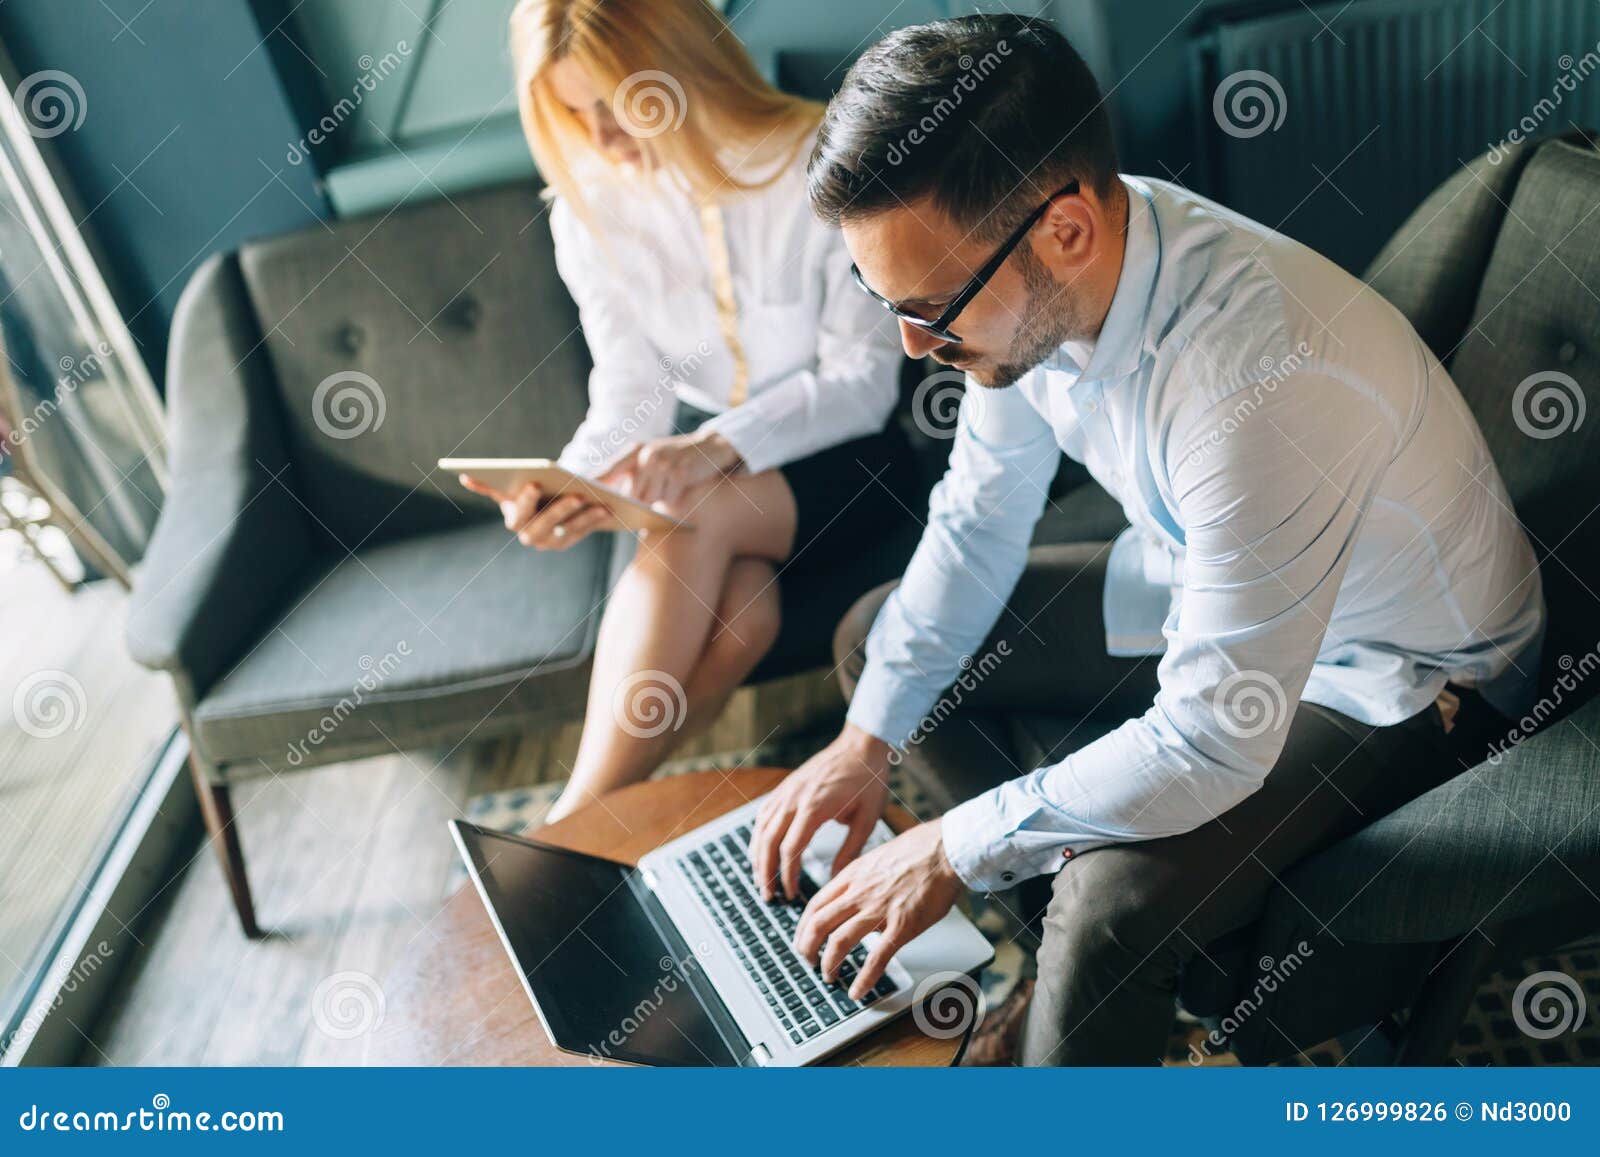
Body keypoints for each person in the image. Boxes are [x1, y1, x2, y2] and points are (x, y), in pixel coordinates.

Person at [750, 14, 1545, 1065]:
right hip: (1213, 581)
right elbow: (981, 514)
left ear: (1063, 228)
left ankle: (1079, 1000)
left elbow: (1214, 736)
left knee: (1105, 897)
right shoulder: (1038, 286)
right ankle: (1066, 1001)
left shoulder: (1254, 387)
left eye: (930, 304)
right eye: (883, 297)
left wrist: (953, 842)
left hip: (1401, 678)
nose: (910, 345)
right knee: (874, 644)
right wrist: (863, 740)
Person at [467, 0, 912, 824]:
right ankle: (634, 827)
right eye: (575, 111)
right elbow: (633, 382)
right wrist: (573, 480)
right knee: (742, 624)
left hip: (847, 459)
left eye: (616, 103)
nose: (600, 138)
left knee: (691, 510)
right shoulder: (588, 209)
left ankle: (570, 827)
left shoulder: (821, 163)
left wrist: (719, 446)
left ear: (683, 68)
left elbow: (864, 383)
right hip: (705, 474)